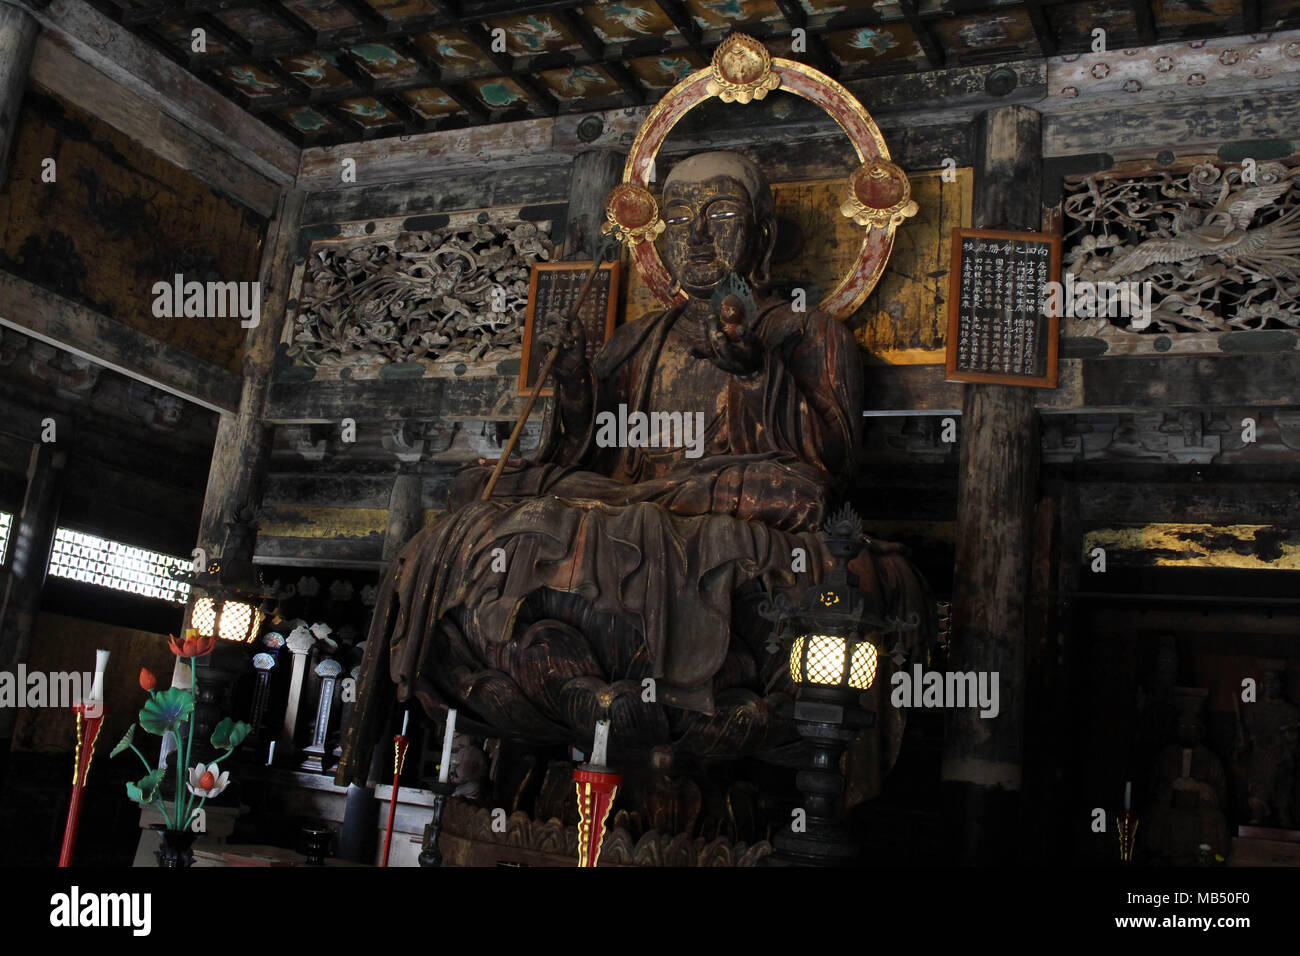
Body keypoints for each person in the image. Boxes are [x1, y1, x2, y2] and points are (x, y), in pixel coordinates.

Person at [338, 151, 931, 786]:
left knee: (792, 503)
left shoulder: (810, 330)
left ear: (764, 234)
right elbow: (590, 458)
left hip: (741, 494)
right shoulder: (635, 340)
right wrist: (571, 395)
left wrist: (767, 357)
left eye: (721, 213)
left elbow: (829, 472)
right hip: (629, 497)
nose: (697, 235)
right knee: (481, 488)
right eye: (677, 218)